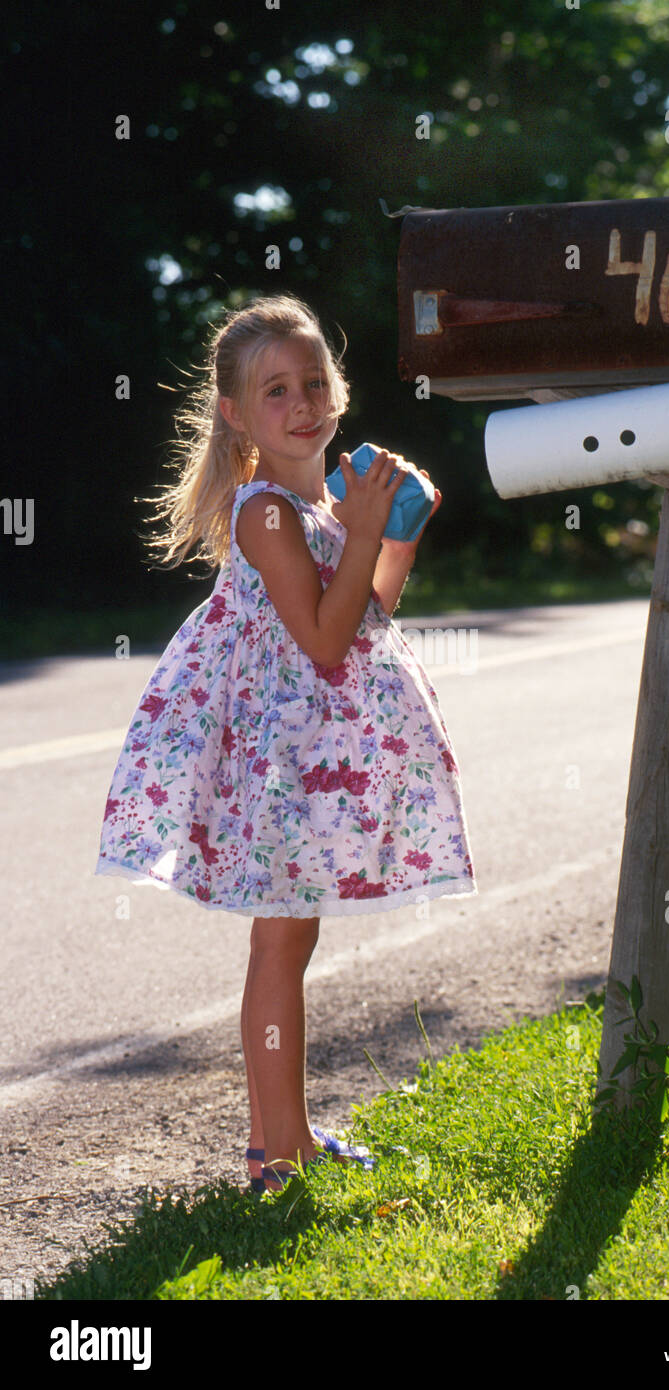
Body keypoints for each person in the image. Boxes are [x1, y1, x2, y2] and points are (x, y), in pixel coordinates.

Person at [95, 293, 477, 1191]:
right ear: (235, 416)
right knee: (280, 942)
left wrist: (396, 537)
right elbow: (321, 639)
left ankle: (281, 1142)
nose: (302, 403)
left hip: (306, 757)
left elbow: (368, 607)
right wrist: (364, 531)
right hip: (276, 762)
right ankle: (277, 1148)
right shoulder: (264, 511)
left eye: (314, 382)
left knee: (289, 938)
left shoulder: (319, 509)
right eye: (275, 391)